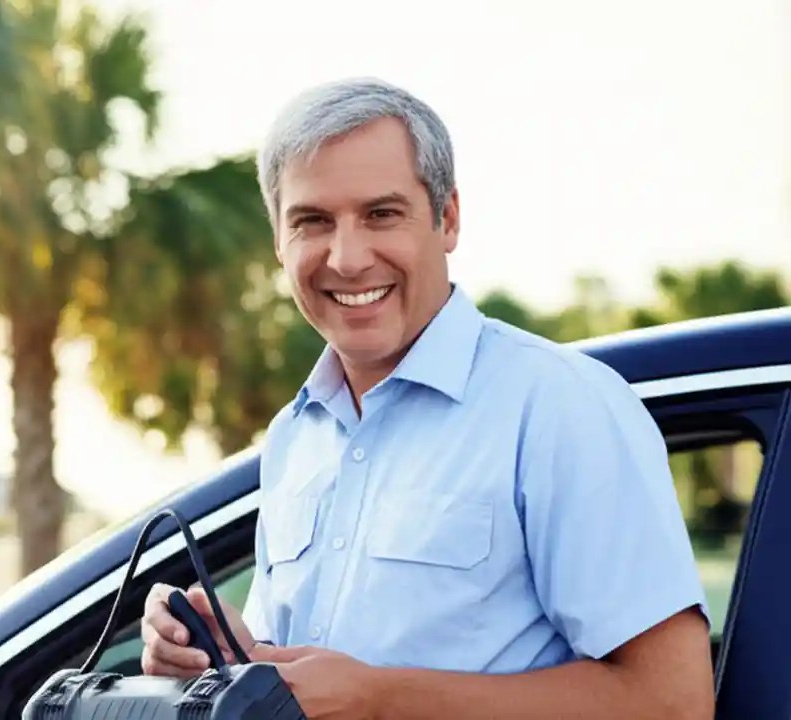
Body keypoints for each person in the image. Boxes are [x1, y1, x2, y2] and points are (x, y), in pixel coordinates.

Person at [140, 77, 714, 719]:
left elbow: (674, 704)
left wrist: (382, 700)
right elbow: (305, 682)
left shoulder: (560, 407)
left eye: (381, 215)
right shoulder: (294, 438)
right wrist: (218, 656)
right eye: (313, 221)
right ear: (279, 239)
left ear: (447, 219)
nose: (348, 257)